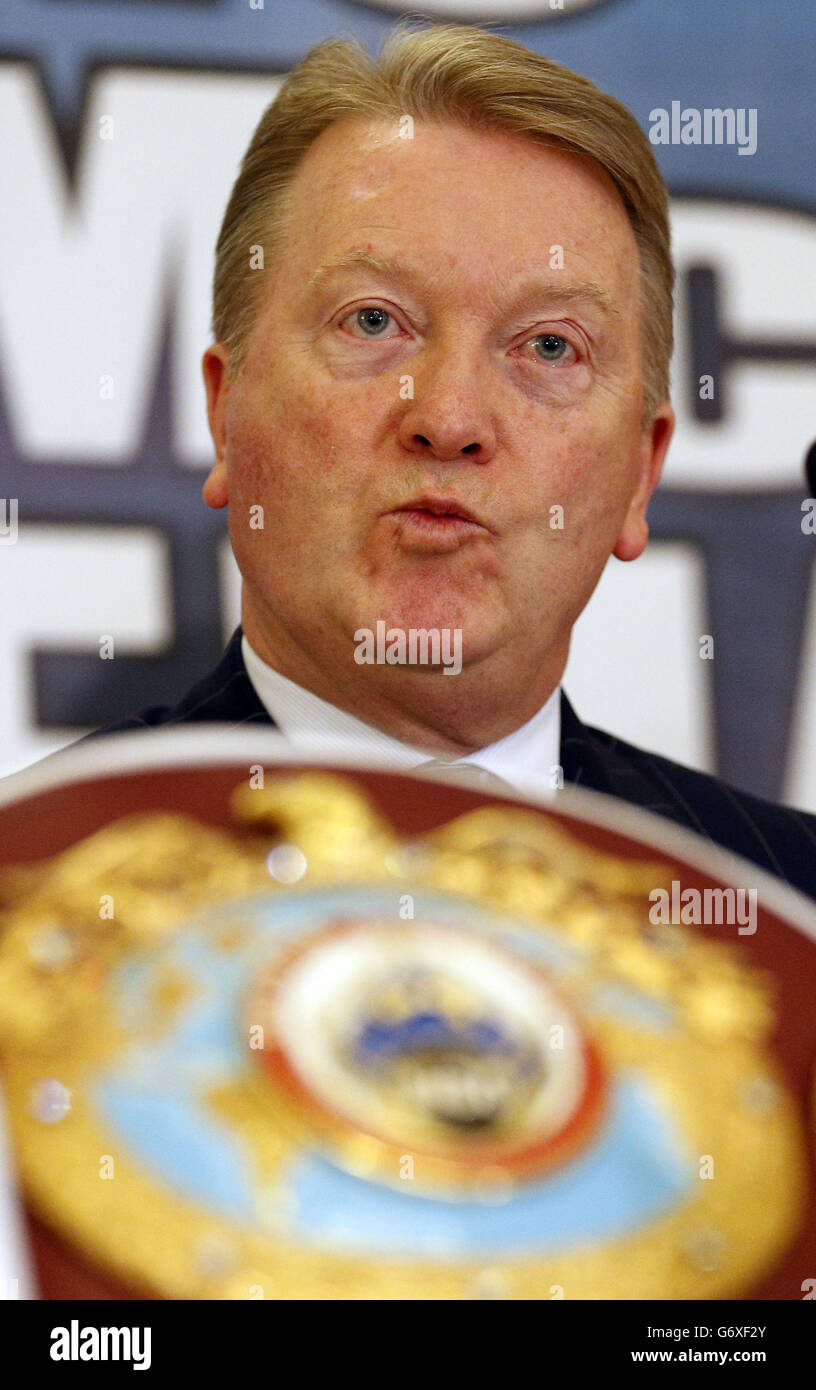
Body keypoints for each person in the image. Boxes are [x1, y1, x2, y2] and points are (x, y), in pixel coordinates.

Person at [91, 21, 816, 899]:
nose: (449, 418)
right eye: (372, 321)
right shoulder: (36, 878)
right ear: (224, 409)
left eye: (549, 347)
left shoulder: (779, 910)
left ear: (640, 471)